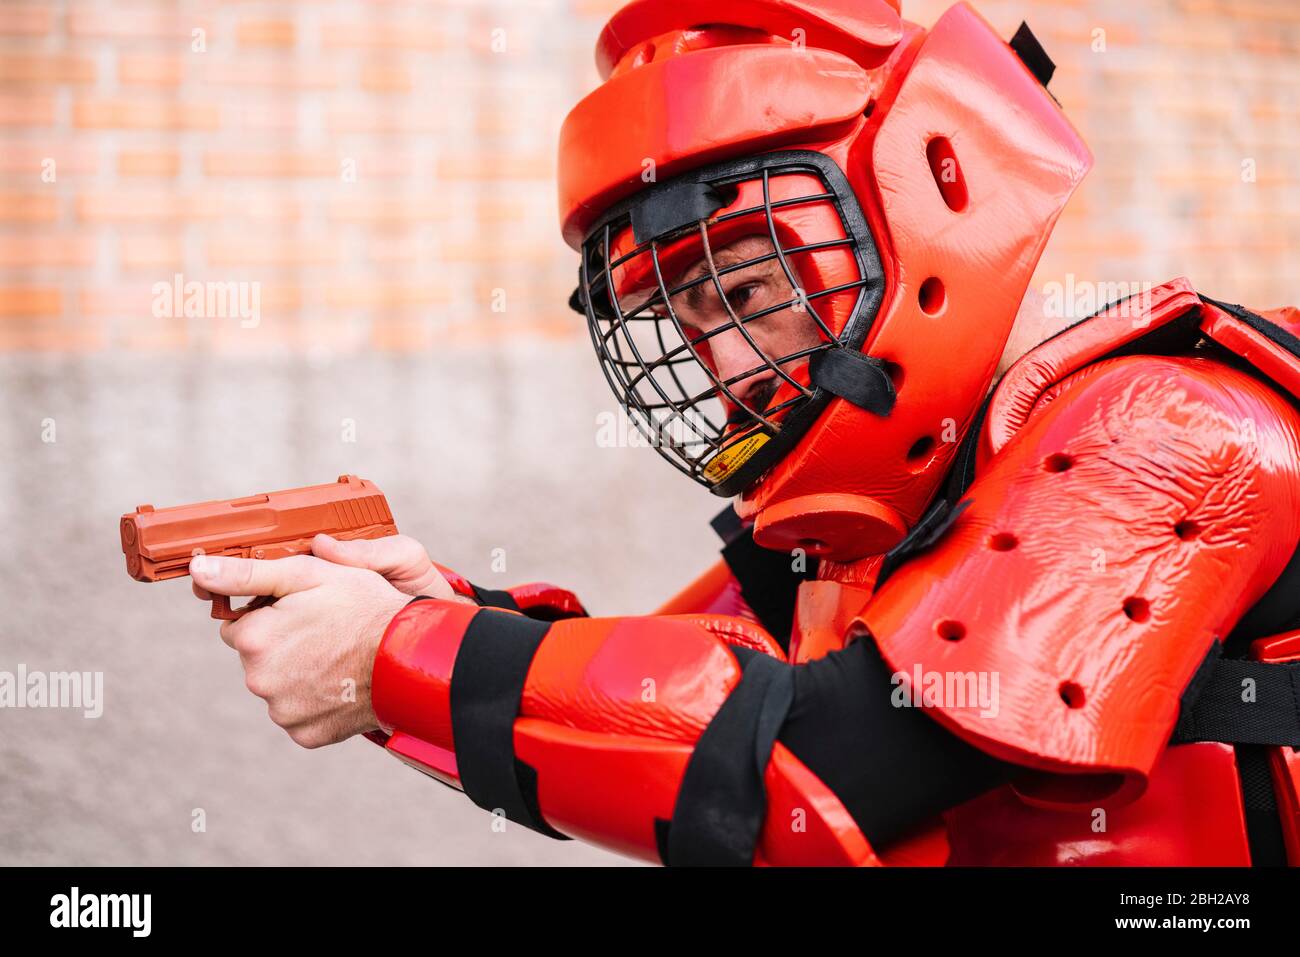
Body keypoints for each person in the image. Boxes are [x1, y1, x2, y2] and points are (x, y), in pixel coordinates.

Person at [190, 0, 1300, 865]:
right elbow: (644, 718)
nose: (723, 364)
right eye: (686, 319)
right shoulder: (875, 517)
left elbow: (823, 769)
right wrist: (428, 613)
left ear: (928, 200)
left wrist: (392, 657)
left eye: (749, 293)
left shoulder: (1162, 428)